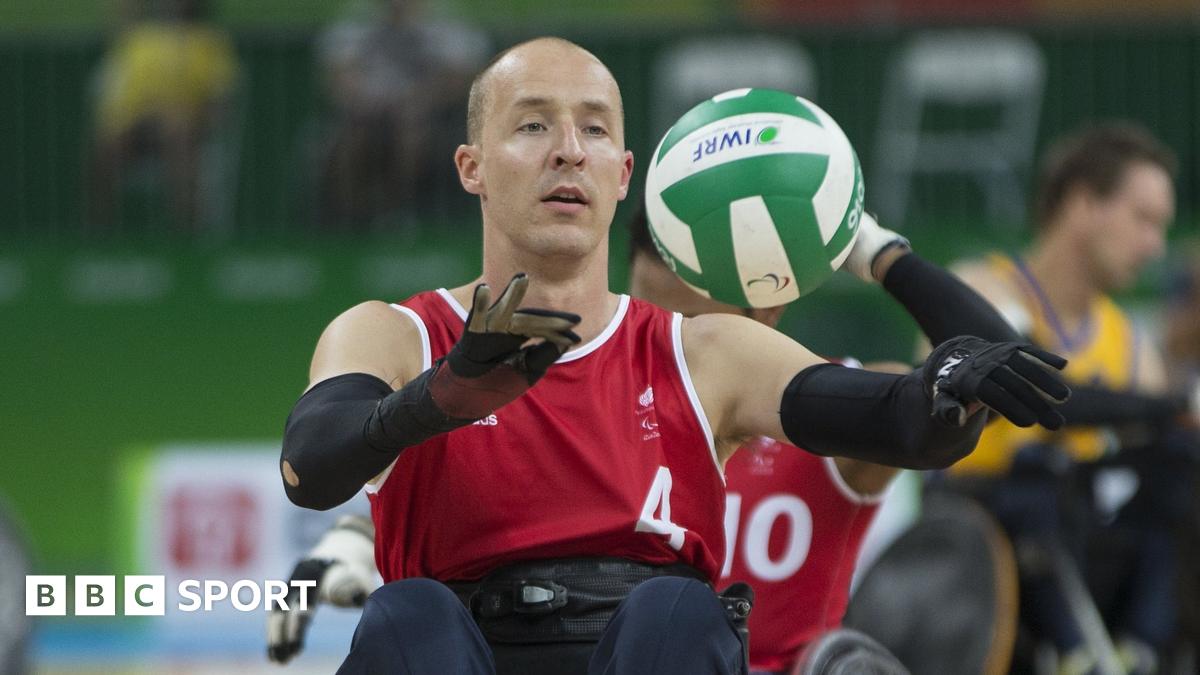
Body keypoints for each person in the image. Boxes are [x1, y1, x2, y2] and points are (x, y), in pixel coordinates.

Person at [278, 37, 1069, 675]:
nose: (568, 151)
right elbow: (307, 468)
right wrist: (442, 395)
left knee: (676, 610)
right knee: (407, 615)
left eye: (595, 129)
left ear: (624, 174)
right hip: (460, 644)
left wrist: (952, 379)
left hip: (649, 646)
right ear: (471, 166)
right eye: (532, 126)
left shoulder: (705, 350)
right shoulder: (394, 335)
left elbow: (906, 421)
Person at [943, 123, 1196, 674]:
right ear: (1083, 204)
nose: (1154, 246)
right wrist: (1175, 404)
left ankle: (1142, 648)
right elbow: (1040, 391)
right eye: (1143, 219)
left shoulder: (1130, 344)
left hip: (1086, 549)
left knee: (1182, 465)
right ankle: (1081, 654)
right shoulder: (982, 288)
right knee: (1038, 472)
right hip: (982, 550)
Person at [312, 0, 489, 229]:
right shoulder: (356, 22)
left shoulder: (447, 23)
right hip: (364, 115)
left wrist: (418, 103)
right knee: (353, 140)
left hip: (431, 118)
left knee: (411, 133)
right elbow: (339, 78)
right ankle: (350, 216)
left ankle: (394, 211)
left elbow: (458, 79)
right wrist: (369, 105)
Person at [88, 0, 240, 232]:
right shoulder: (140, 37)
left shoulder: (210, 41)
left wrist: (198, 117)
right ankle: (98, 232)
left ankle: (185, 230)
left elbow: (222, 98)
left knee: (177, 133)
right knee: (106, 147)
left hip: (186, 127)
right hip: (138, 123)